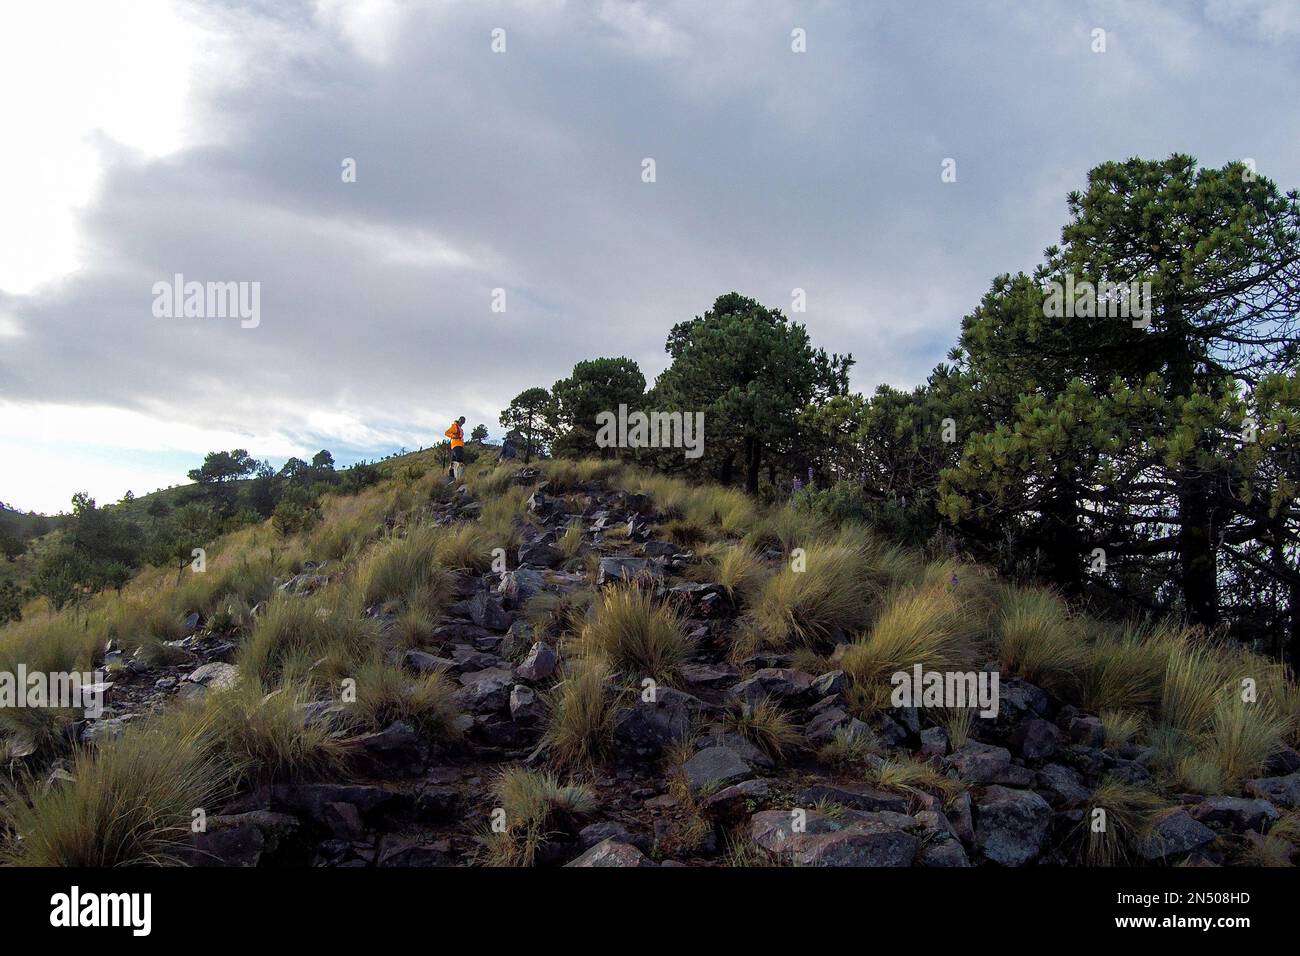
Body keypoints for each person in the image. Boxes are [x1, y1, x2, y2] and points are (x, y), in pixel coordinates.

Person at [445, 416, 467, 481]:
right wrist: (454, 436)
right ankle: (459, 478)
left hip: (458, 446)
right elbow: (446, 433)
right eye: (462, 420)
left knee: (453, 462)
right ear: (459, 420)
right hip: (456, 446)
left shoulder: (460, 428)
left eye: (464, 421)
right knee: (459, 461)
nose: (462, 422)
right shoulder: (455, 426)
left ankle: (452, 477)